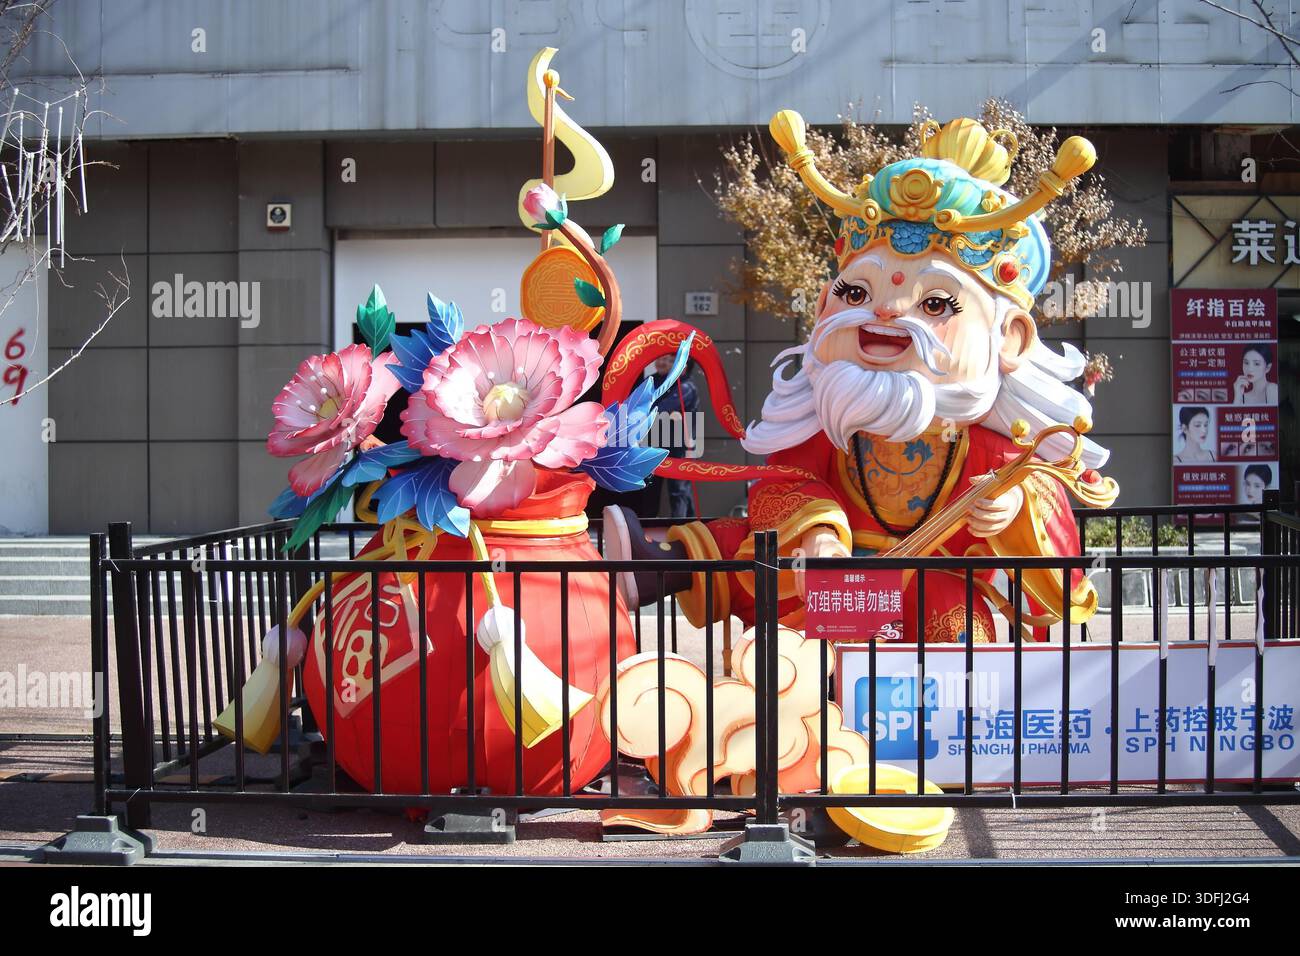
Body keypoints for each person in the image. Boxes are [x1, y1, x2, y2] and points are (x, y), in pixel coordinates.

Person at [604, 115, 1111, 643]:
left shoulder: (984, 442)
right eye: (856, 294)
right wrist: (820, 531)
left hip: (937, 591)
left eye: (934, 302)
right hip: (838, 582)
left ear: (1010, 339)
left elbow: (1040, 492)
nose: (888, 310)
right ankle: (663, 568)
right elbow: (788, 485)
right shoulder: (835, 424)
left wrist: (1012, 510)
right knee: (763, 561)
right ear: (824, 305)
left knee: (950, 623)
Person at [639, 355, 700, 519]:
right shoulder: (651, 380)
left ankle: (683, 529)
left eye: (669, 360)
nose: (661, 362)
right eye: (660, 358)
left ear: (683, 366)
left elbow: (659, 408)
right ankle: (647, 528)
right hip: (654, 442)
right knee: (650, 487)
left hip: (680, 446)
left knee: (678, 490)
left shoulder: (686, 386)